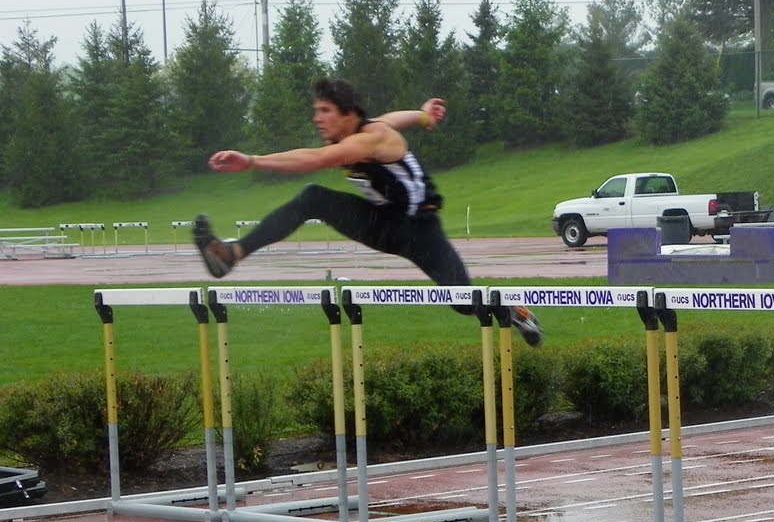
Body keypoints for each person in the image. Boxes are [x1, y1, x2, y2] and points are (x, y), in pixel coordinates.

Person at [192, 77, 541, 346]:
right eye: (316, 111)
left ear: (349, 114)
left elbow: (315, 159)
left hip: (418, 230)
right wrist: (423, 116)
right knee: (312, 198)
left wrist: (252, 161)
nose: (317, 119)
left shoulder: (371, 139)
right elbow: (396, 118)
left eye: (325, 111)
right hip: (379, 223)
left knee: (462, 300)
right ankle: (233, 254)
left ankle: (516, 313)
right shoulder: (364, 130)